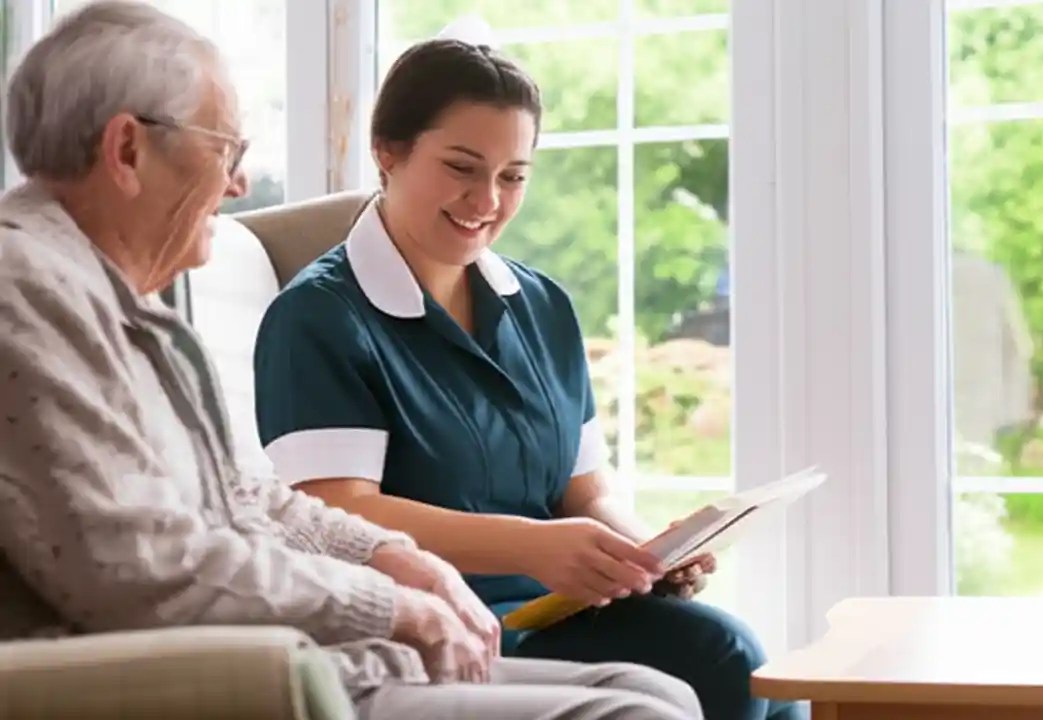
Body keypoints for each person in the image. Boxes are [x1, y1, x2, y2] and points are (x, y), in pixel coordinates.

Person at [0, 3, 702, 719]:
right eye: (226, 151)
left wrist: (397, 559)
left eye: (513, 175)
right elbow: (138, 566)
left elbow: (252, 499)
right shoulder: (25, 289)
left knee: (653, 692)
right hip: (201, 677)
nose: (239, 186)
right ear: (127, 151)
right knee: (639, 713)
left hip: (310, 656)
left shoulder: (126, 305)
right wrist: (390, 605)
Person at [251, 36, 799, 720]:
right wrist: (533, 546)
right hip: (429, 622)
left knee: (768, 679)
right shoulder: (319, 317)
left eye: (514, 176)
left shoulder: (542, 306)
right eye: (462, 167)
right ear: (386, 151)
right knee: (725, 659)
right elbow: (339, 512)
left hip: (554, 610)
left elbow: (584, 489)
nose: (487, 199)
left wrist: (642, 555)